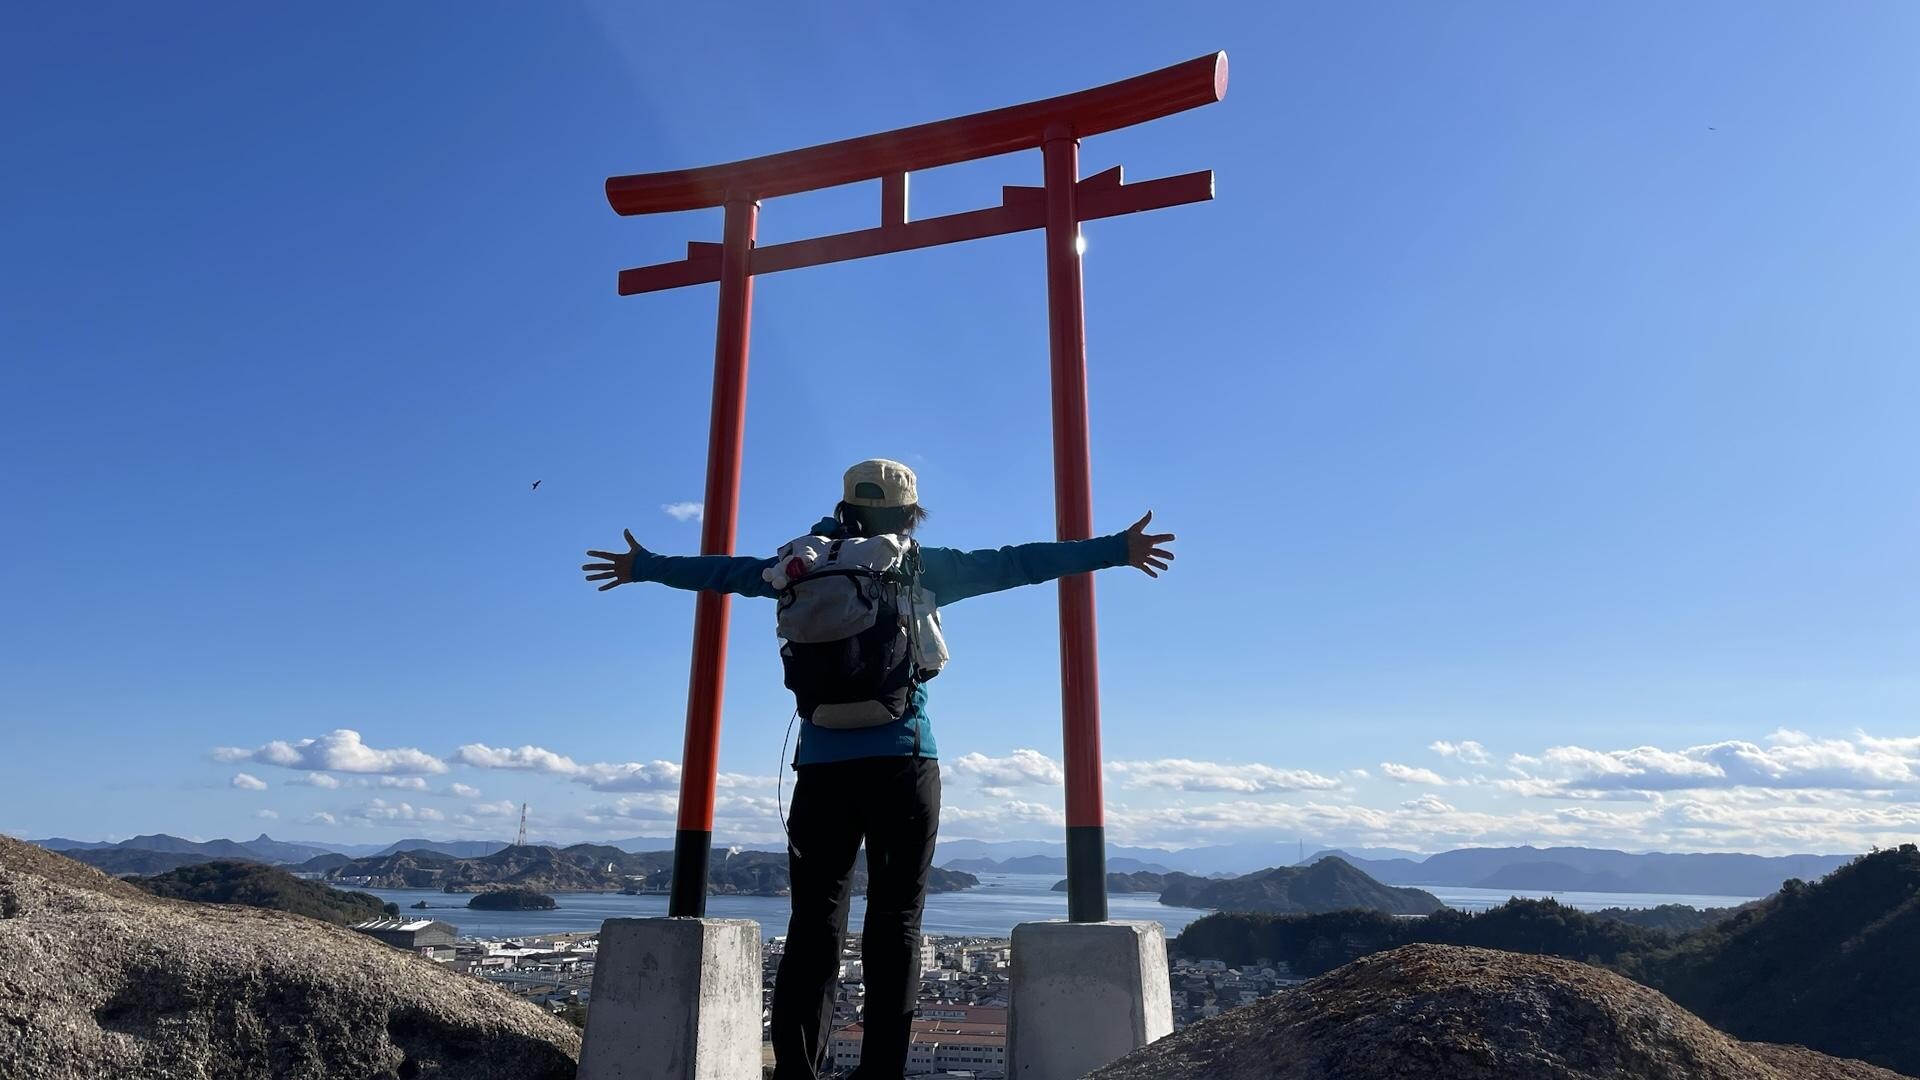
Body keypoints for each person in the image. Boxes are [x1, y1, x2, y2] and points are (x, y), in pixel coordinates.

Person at [582, 458, 1175, 1080]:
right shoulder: (920, 566)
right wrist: (1117, 550)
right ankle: (880, 1074)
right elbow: (1017, 562)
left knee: (813, 925)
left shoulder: (799, 566)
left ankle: (797, 1072)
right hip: (902, 762)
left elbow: (723, 574)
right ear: (908, 513)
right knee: (896, 922)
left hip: (821, 769)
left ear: (846, 507)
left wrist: (643, 566)